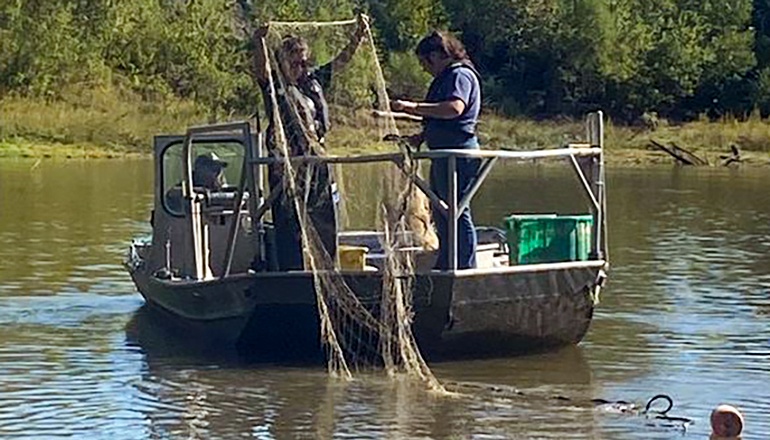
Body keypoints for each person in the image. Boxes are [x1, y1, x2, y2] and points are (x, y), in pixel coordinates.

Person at [253, 15, 368, 271]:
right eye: (294, 63)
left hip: (317, 160)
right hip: (288, 165)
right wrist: (259, 40)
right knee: (289, 222)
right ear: (282, 63)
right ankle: (291, 273)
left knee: (326, 216)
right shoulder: (275, 86)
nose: (300, 68)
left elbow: (341, 62)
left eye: (304, 63)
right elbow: (261, 70)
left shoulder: (313, 82)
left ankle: (327, 270)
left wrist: (358, 35)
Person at [391, 30, 482, 270]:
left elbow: (454, 109)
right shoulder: (445, 77)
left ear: (436, 55)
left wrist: (412, 107)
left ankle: (464, 265)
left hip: (458, 153)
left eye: (424, 63)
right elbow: (442, 120)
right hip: (443, 153)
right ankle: (447, 260)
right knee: (441, 211)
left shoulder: (459, 75)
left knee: (457, 210)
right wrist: (421, 136)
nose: (424, 69)